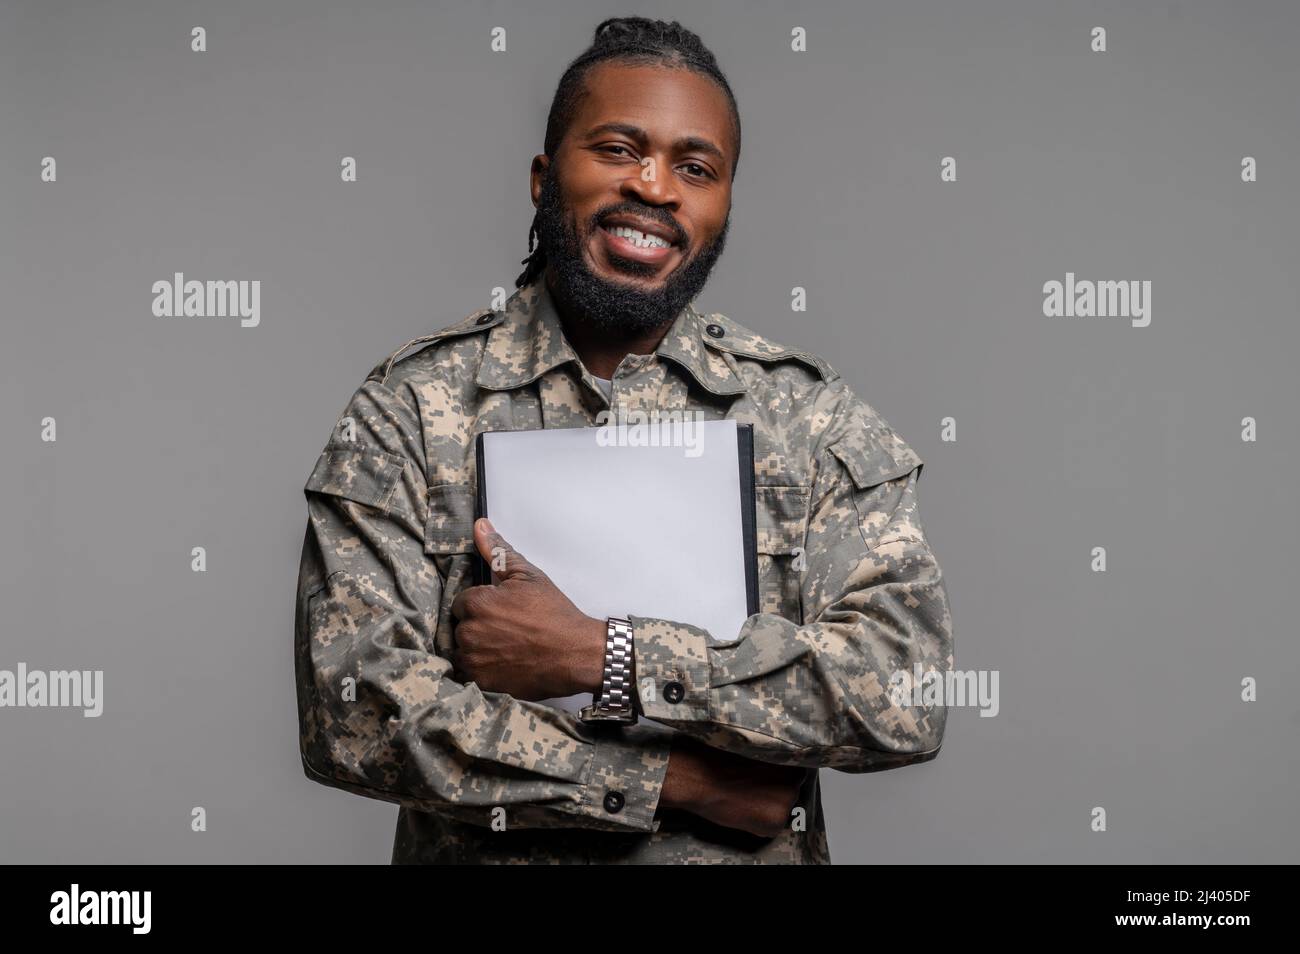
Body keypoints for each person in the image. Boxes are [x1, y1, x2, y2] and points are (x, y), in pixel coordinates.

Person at [294, 15, 954, 864]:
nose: (655, 187)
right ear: (543, 178)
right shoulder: (408, 411)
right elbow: (355, 714)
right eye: (616, 148)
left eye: (696, 167)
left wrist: (601, 652)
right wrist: (676, 781)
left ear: (721, 206)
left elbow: (906, 693)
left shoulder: (809, 418)